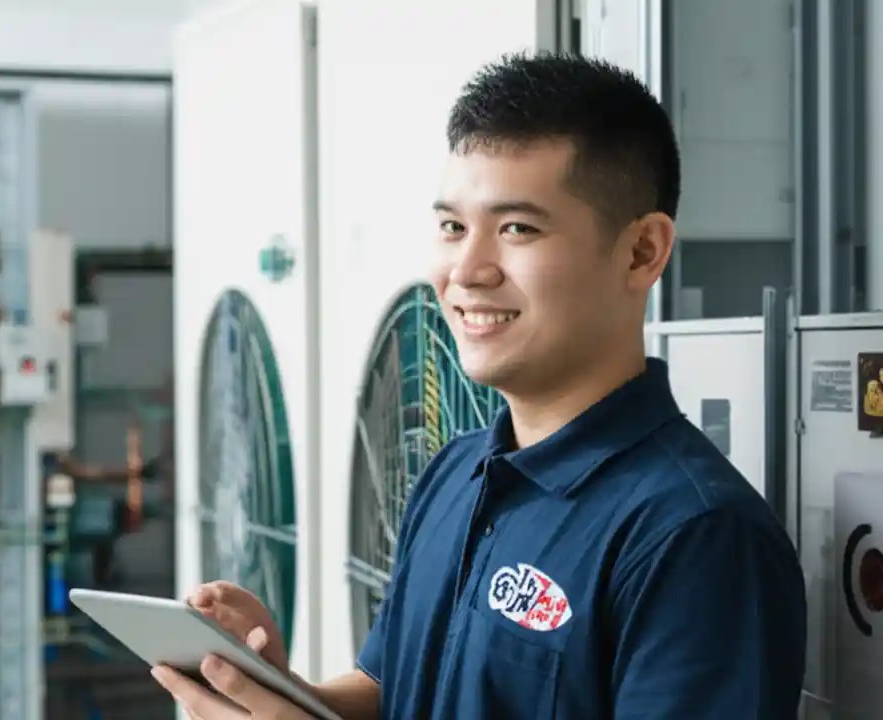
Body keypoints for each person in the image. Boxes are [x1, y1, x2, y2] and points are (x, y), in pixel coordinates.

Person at [150, 52, 807, 719]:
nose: (467, 269)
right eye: (452, 227)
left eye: (517, 228)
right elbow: (390, 692)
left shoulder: (694, 536)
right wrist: (277, 692)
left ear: (642, 252)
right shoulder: (456, 473)